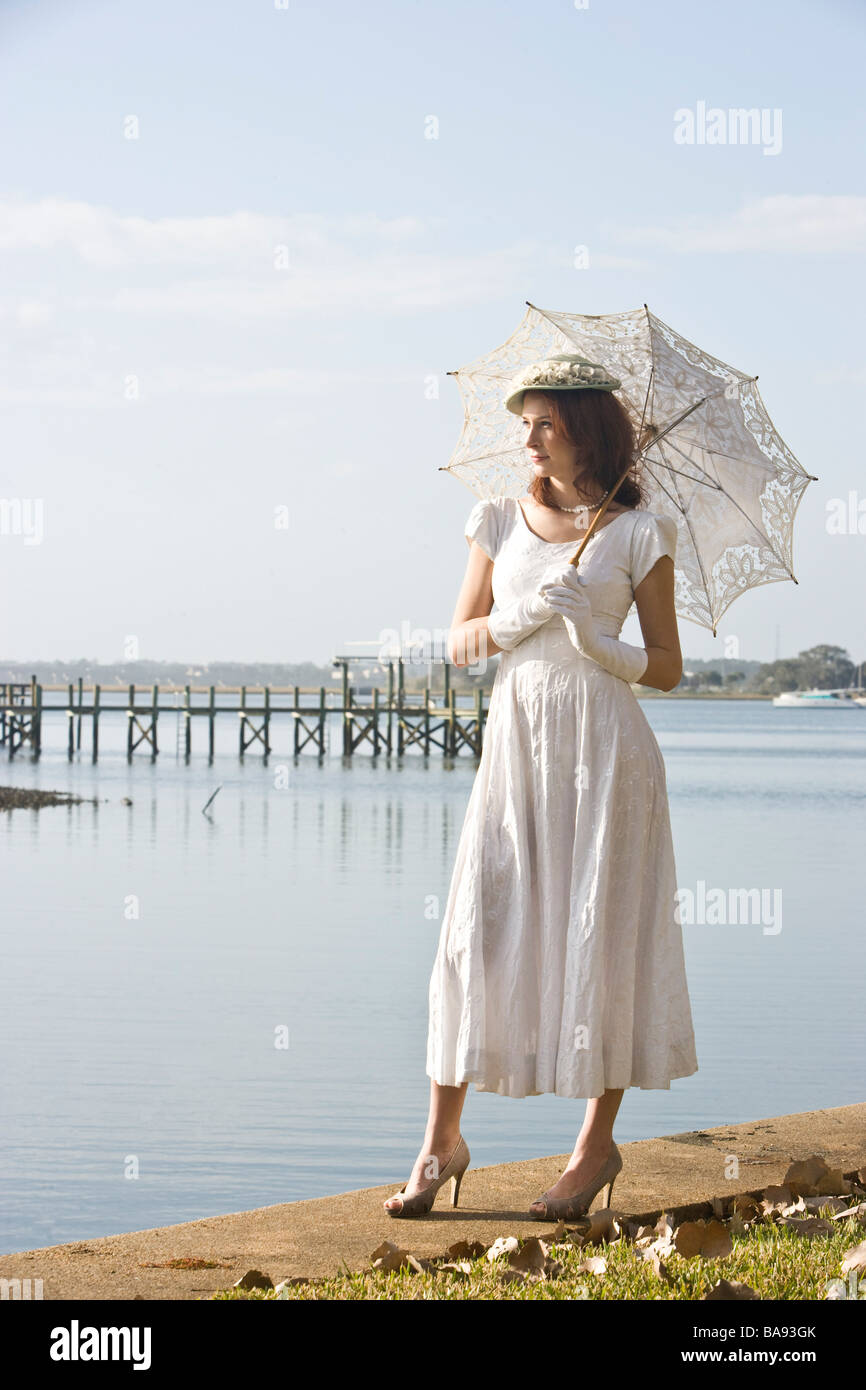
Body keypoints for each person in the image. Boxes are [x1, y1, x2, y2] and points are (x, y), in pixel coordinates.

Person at [383, 353, 698, 1220]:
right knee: (474, 931)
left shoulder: (639, 532)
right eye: (523, 421)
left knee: (605, 936)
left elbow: (669, 668)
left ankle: (592, 1153)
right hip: (517, 747)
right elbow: (457, 644)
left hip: (609, 750)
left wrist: (601, 645)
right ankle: (443, 1141)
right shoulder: (495, 519)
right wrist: (522, 618)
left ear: (585, 430)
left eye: (544, 422)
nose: (527, 436)